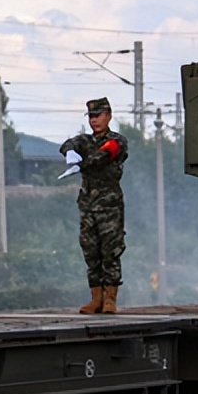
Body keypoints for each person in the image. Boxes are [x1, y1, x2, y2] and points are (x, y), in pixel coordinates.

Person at [60, 97, 129, 314]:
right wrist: (70, 153)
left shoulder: (117, 141)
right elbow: (67, 145)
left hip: (109, 206)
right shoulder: (85, 141)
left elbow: (104, 155)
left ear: (108, 116)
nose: (94, 120)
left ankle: (110, 299)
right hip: (88, 205)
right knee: (91, 251)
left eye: (98, 116)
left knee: (111, 250)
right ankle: (96, 298)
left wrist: (82, 164)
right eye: (91, 116)